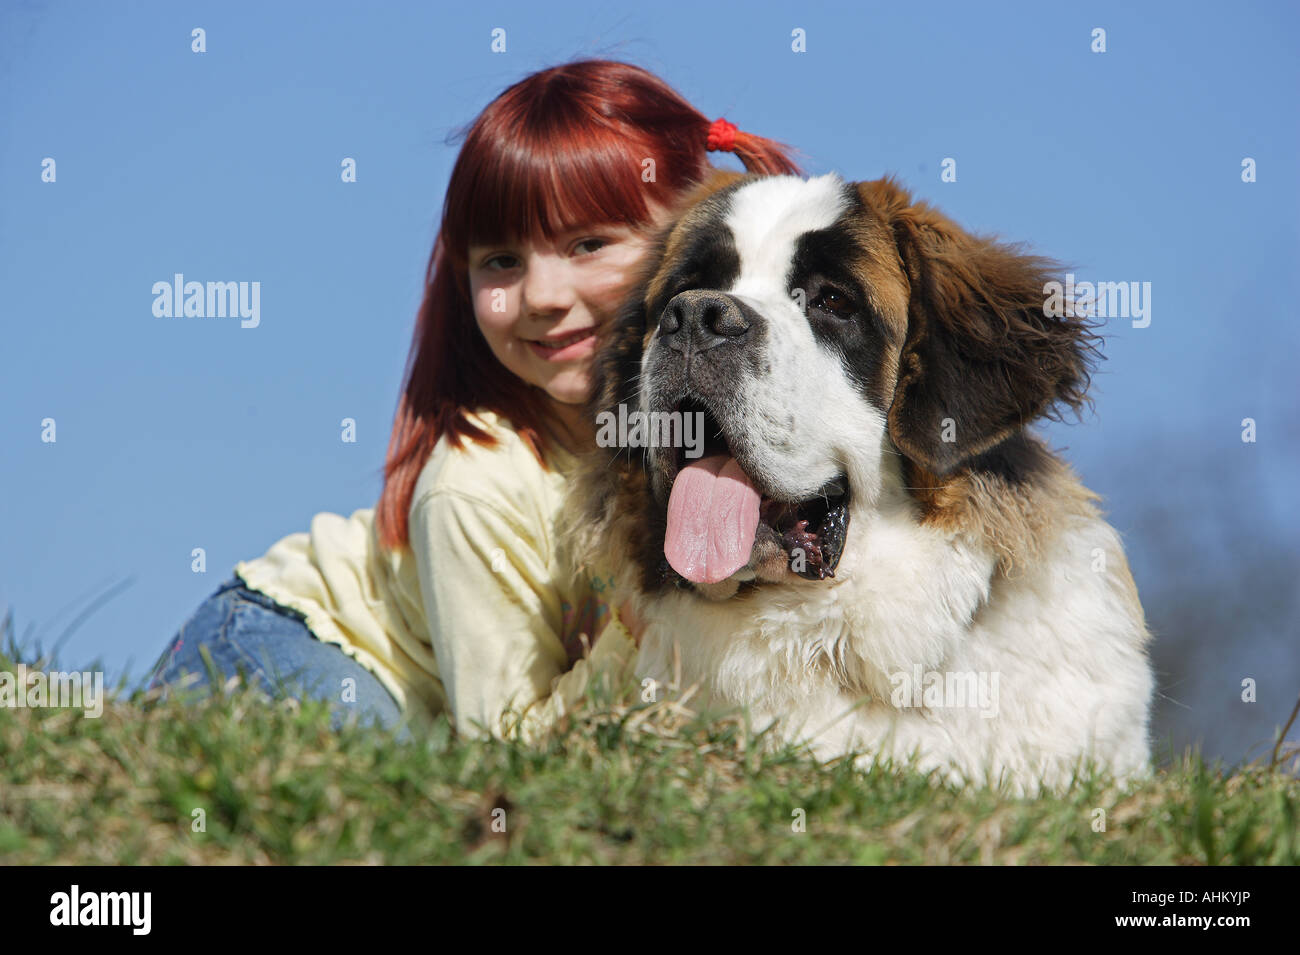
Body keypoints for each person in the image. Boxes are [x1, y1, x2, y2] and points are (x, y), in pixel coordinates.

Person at [143, 58, 804, 743]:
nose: (543, 296)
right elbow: (503, 747)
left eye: (588, 243)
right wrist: (637, 631)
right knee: (396, 807)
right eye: (501, 261)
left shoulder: (714, 430)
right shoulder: (472, 487)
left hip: (436, 695)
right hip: (285, 642)